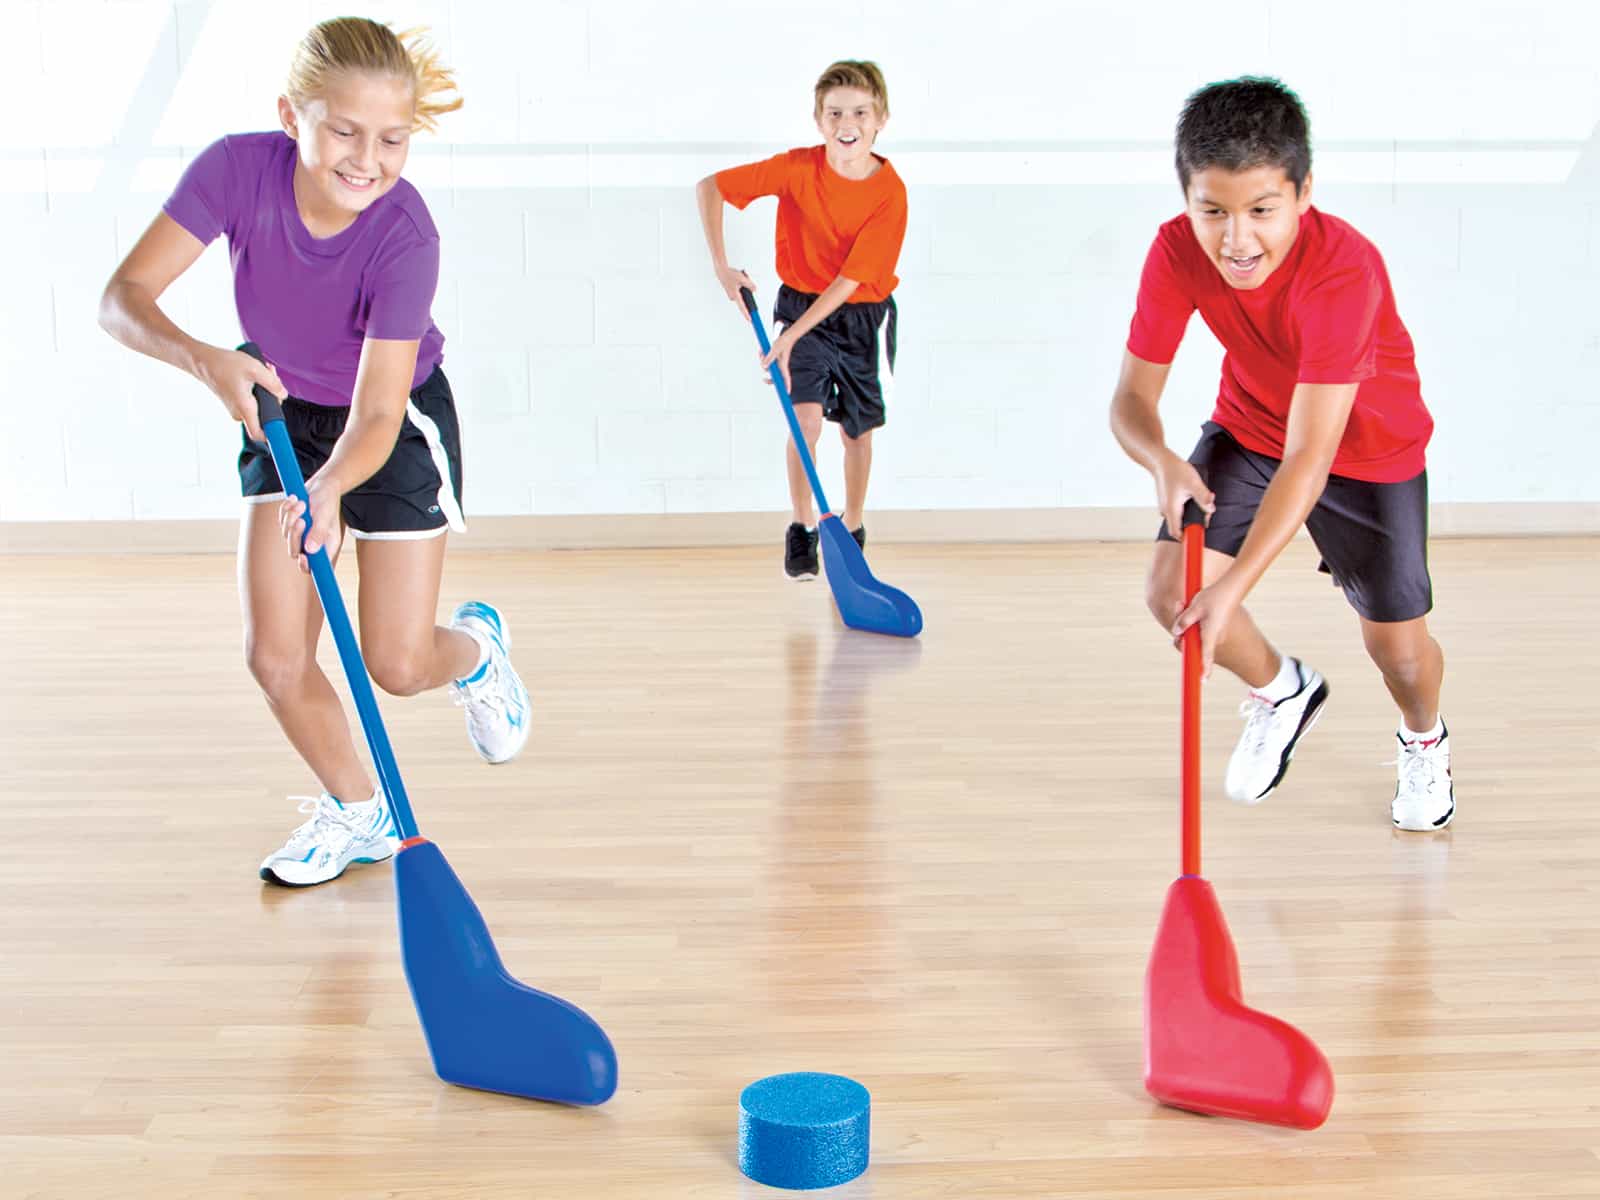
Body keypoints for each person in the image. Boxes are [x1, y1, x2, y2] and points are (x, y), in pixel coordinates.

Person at [98, 16, 531, 886]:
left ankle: (478, 653)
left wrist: (329, 491)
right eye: (343, 129)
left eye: (393, 138)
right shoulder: (234, 169)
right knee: (275, 655)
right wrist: (207, 360)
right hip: (277, 405)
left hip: (395, 421)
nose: (366, 158)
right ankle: (357, 812)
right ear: (292, 114)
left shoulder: (406, 235)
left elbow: (376, 410)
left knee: (397, 664)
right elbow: (124, 297)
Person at [1109, 77, 1454, 831]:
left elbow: (1312, 455)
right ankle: (1282, 691)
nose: (1237, 241)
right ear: (1188, 198)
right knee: (1175, 595)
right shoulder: (1174, 251)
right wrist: (1163, 459)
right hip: (1251, 427)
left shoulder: (1343, 269)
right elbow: (1130, 402)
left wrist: (1231, 593)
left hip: (1368, 451)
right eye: (1214, 212)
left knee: (1398, 654)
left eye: (1262, 211)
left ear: (1303, 194)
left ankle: (1424, 738)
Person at [696, 60, 908, 579]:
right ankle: (802, 527)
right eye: (834, 113)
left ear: (880, 119)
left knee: (857, 435)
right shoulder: (797, 168)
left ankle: (852, 528)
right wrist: (723, 267)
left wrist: (791, 336)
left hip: (855, 316)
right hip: (799, 303)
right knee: (804, 421)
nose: (846, 122)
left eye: (859, 111)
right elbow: (712, 187)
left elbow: (848, 282)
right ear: (819, 120)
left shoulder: (889, 192)